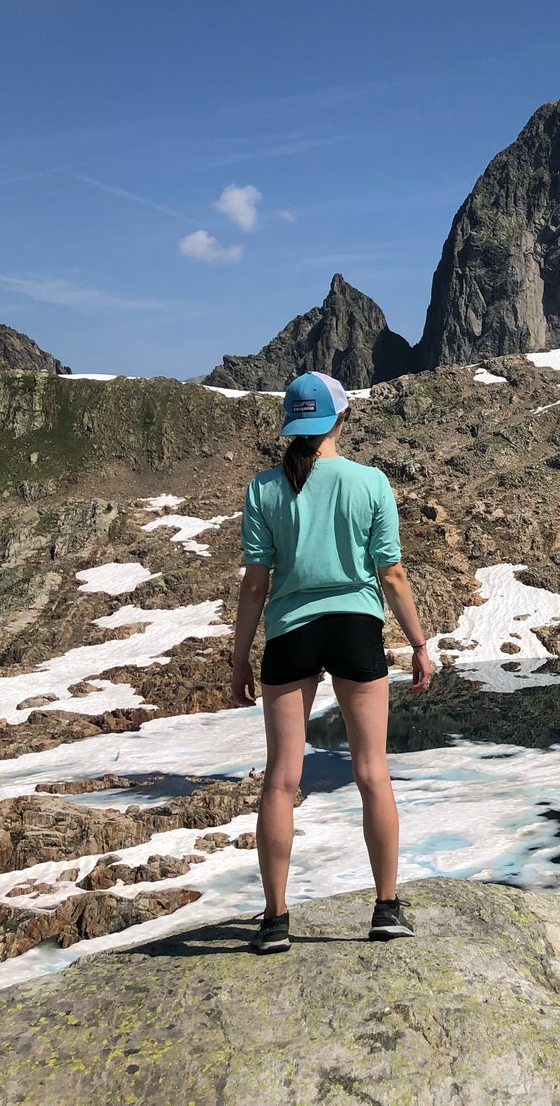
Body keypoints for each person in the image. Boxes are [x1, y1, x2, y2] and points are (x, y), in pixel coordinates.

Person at [230, 371, 433, 954]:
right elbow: (390, 575)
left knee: (282, 779)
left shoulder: (264, 488)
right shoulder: (371, 483)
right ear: (342, 419)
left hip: (290, 634)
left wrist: (240, 659)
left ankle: (274, 920)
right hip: (355, 630)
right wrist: (419, 644)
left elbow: (254, 587)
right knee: (372, 773)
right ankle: (386, 908)